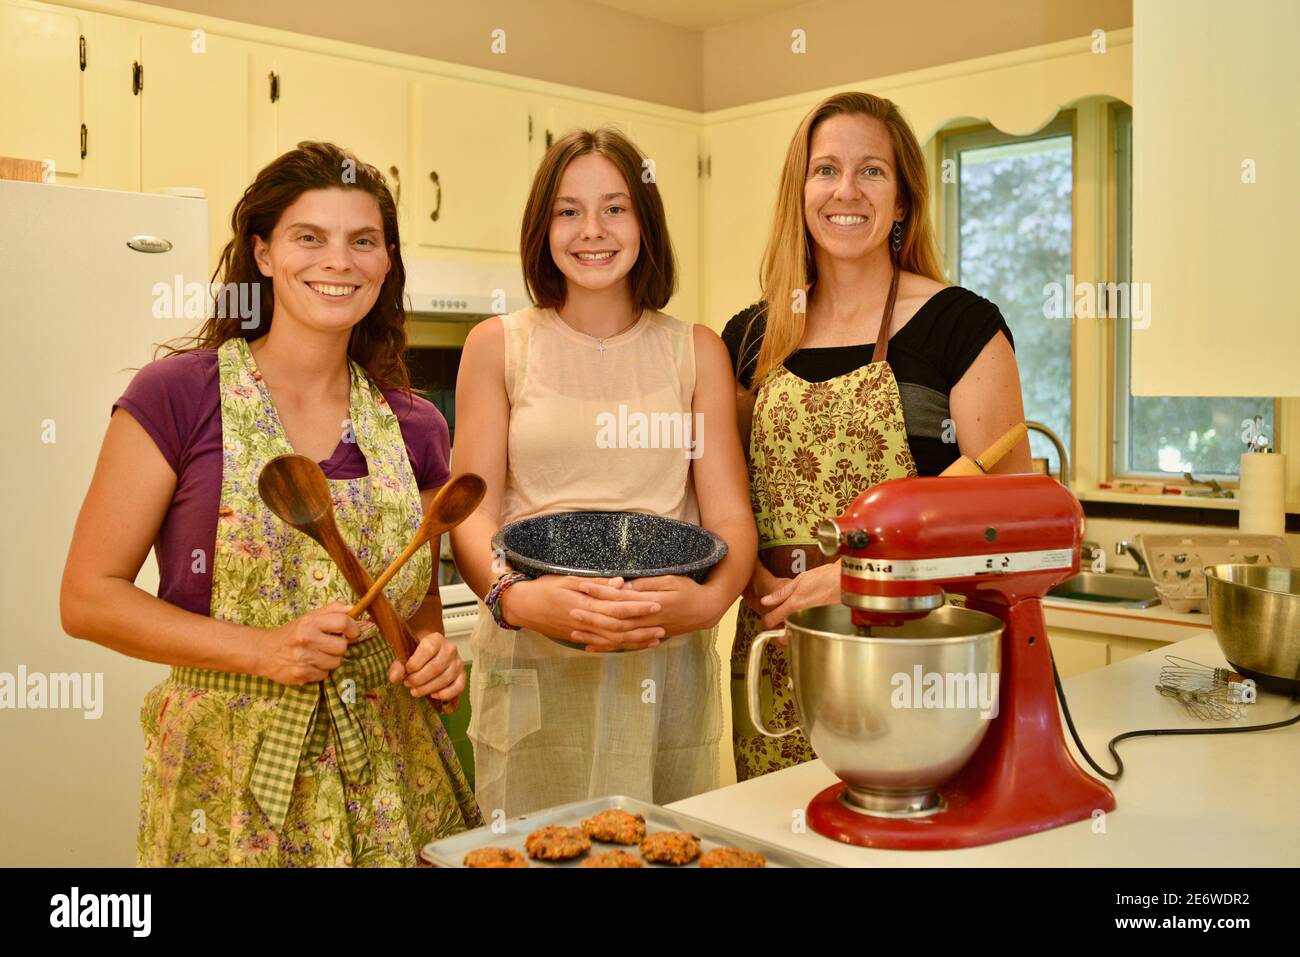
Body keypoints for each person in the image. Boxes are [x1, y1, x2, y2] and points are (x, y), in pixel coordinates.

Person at [60, 141, 481, 866]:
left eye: (363, 241)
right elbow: (87, 597)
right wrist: (263, 650)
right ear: (262, 254)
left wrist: (433, 658)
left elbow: (415, 618)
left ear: (386, 264)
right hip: (228, 777)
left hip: (392, 773)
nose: (338, 261)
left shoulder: (416, 426)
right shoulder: (178, 396)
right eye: (308, 237)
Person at [722, 92, 1032, 781]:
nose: (846, 191)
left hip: (921, 660)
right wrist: (751, 574)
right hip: (780, 655)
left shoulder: (961, 327)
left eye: (872, 172)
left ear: (902, 201)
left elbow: (1017, 524)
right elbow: (719, 497)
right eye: (826, 169)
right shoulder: (748, 338)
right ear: (799, 193)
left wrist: (863, 576)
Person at [449, 128, 755, 817]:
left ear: (645, 224)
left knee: (667, 848)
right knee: (531, 851)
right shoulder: (499, 347)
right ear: (543, 226)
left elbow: (732, 516)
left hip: (664, 657)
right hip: (534, 658)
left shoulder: (696, 352)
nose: (593, 230)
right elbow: (471, 508)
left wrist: (708, 604)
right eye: (568, 211)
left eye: (615, 208)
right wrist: (514, 599)